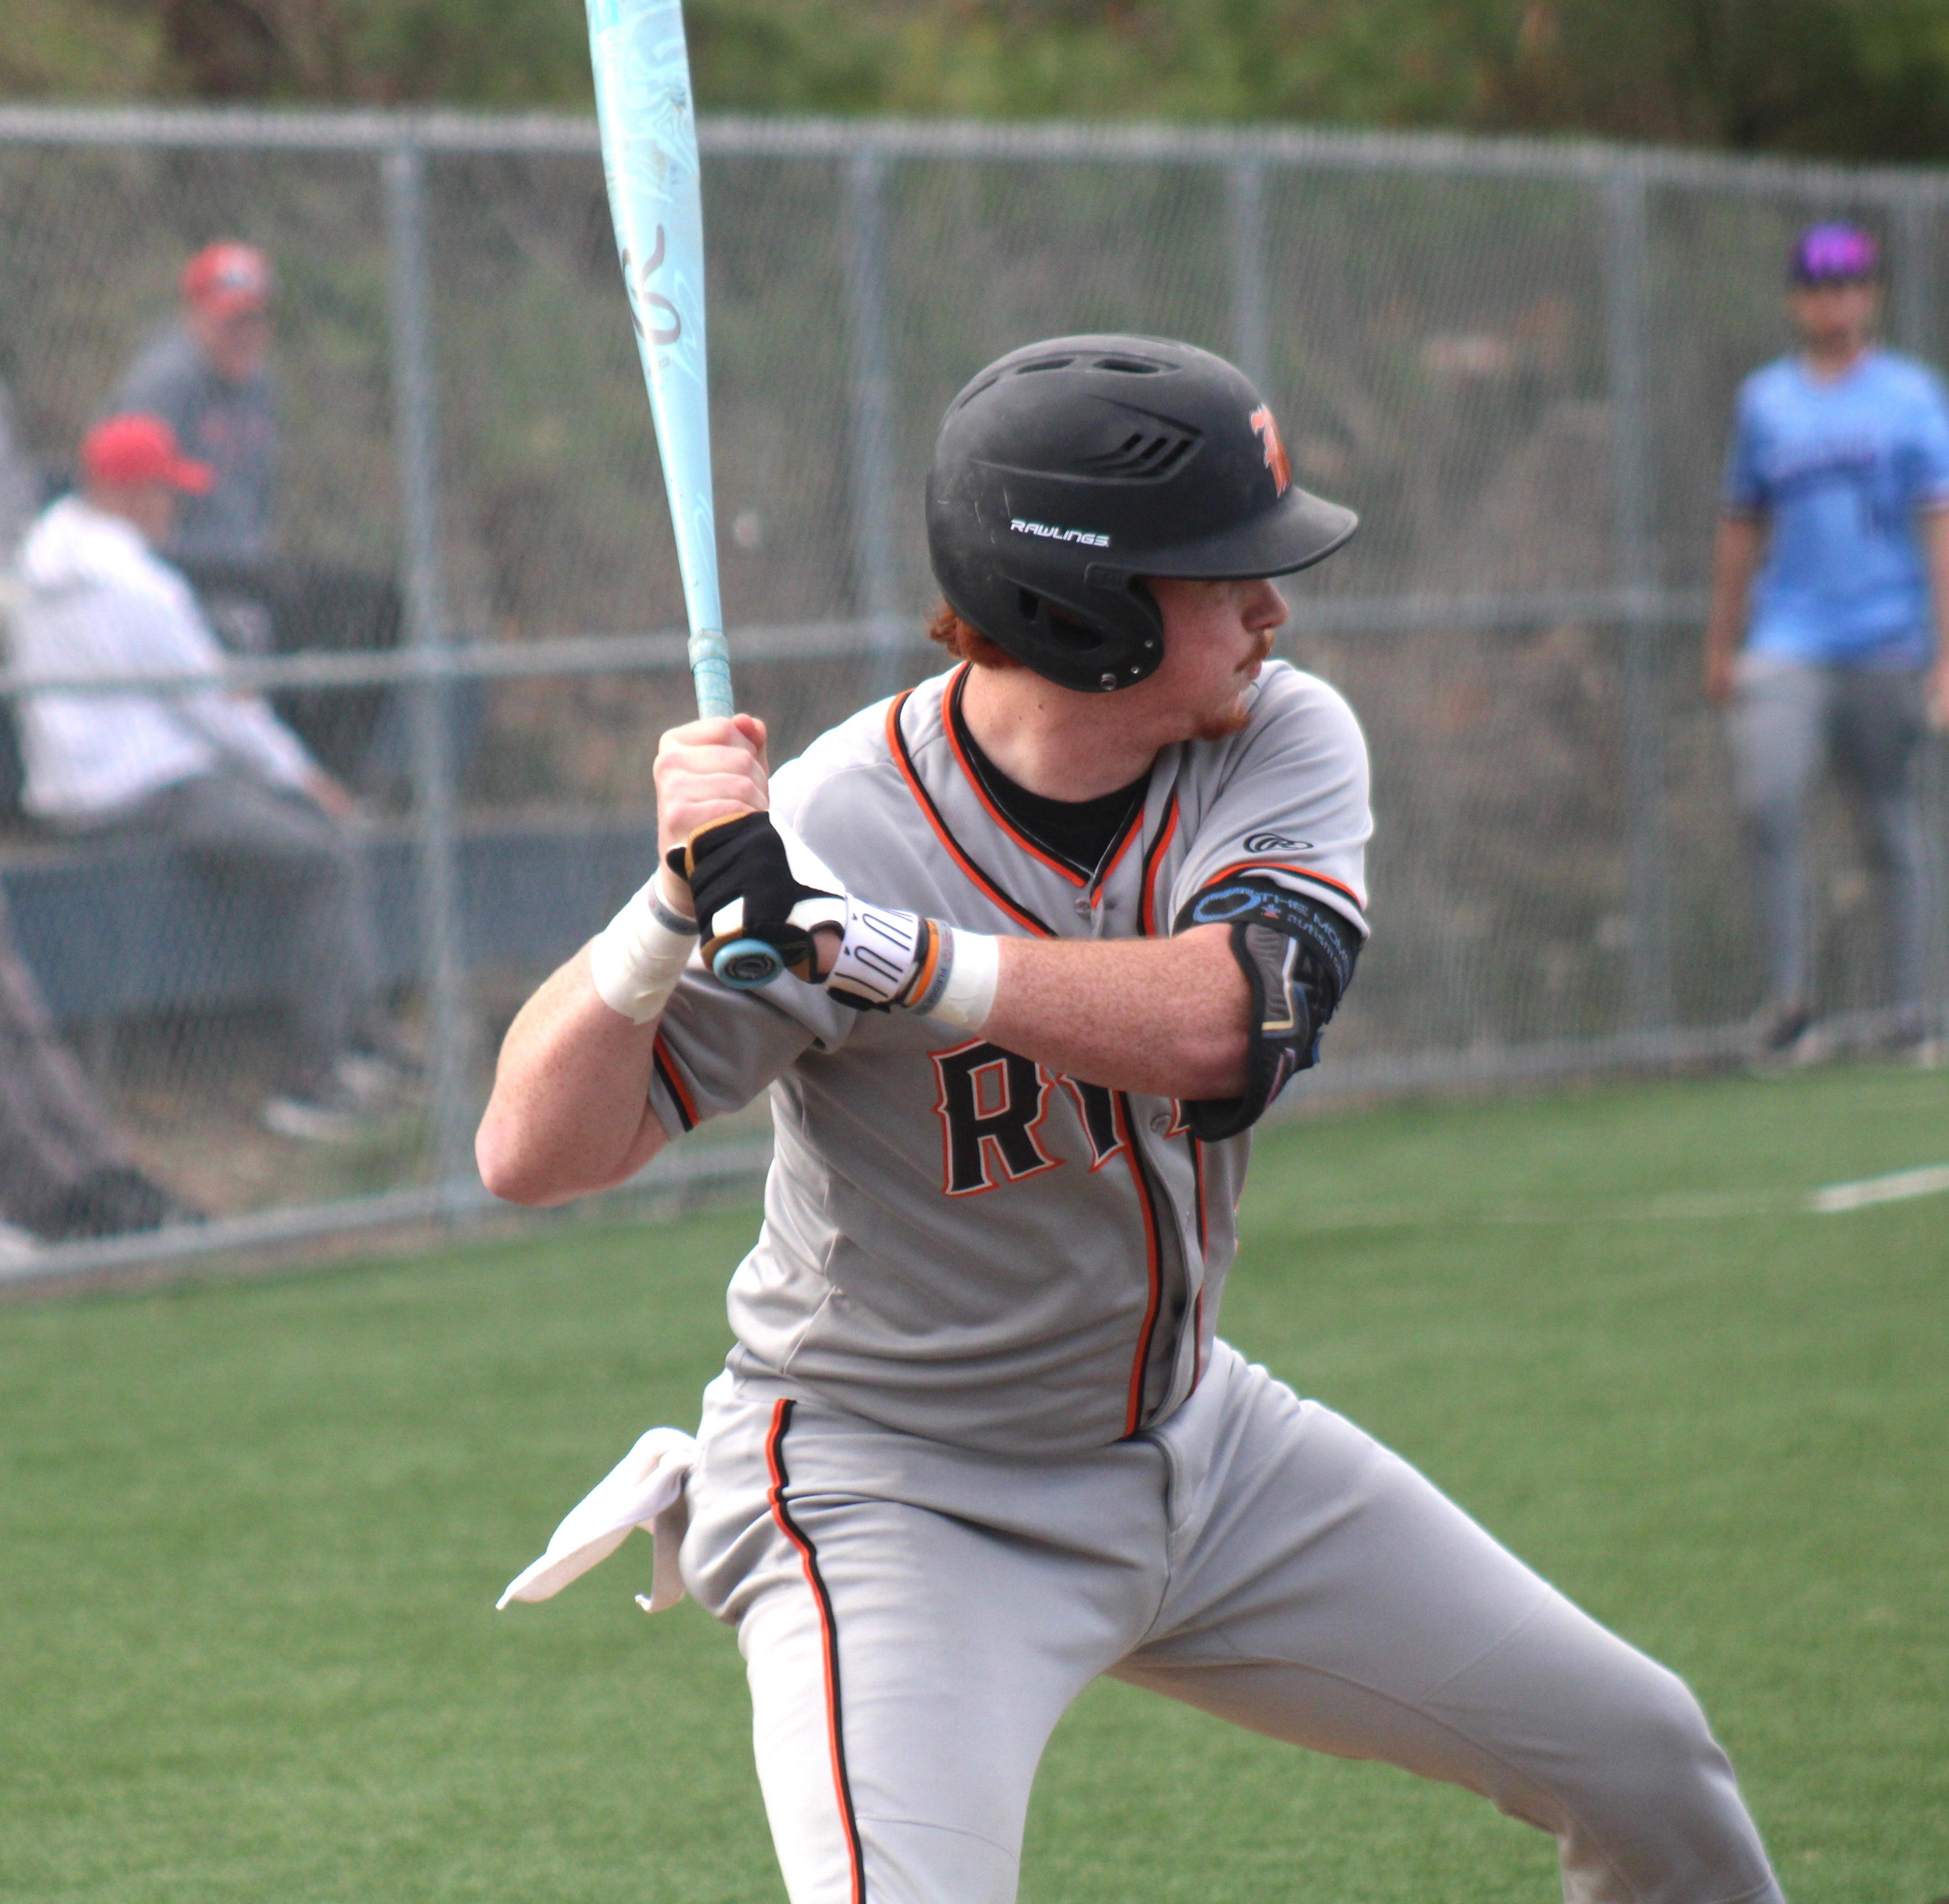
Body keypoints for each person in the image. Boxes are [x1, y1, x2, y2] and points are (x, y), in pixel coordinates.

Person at [478, 337, 1783, 1904]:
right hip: (897, 1494)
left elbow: (1237, 1019)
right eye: (1223, 571)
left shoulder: (1275, 738)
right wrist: (664, 905)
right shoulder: (831, 825)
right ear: (1077, 611)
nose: (1270, 607)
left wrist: (888, 951)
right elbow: (531, 1157)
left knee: (1648, 1761)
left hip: (1195, 1445)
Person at [8, 412, 404, 1142]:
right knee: (321, 849)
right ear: (126, 493)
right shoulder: (137, 584)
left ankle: (360, 1041)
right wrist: (304, 776)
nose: (174, 506)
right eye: (163, 491)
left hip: (81, 791)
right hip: (145, 791)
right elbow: (218, 708)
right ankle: (317, 1075)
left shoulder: (42, 556)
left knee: (310, 833)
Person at [1704, 222, 1949, 1057]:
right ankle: (1788, 1004)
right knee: (1765, 800)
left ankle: (1907, 1012)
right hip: (1788, 637)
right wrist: (1720, 641)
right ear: (1793, 299)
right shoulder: (1765, 400)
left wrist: (1945, 652)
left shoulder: (1910, 395)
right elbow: (1739, 525)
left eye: (1845, 283)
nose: (1830, 298)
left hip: (1885, 636)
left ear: (1868, 295)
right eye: (1814, 284)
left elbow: (1937, 528)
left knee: (1887, 825)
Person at [111, 241, 278, 569]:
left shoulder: (260, 385)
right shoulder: (165, 381)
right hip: (173, 567)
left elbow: (261, 495)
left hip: (240, 567)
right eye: (230, 322)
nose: (243, 335)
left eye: (253, 320)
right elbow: (131, 497)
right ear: (194, 314)